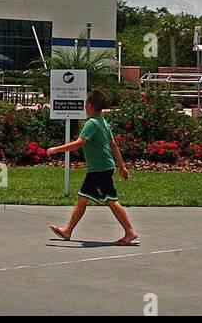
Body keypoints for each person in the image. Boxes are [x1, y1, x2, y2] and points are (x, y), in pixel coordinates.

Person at [44, 90, 138, 246]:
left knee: (110, 200)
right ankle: (67, 231)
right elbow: (113, 145)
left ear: (91, 105)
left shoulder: (92, 123)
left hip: (100, 169)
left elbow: (79, 143)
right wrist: (122, 167)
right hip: (99, 169)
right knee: (82, 199)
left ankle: (130, 232)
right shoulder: (102, 121)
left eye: (86, 104)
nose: (85, 106)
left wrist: (56, 149)